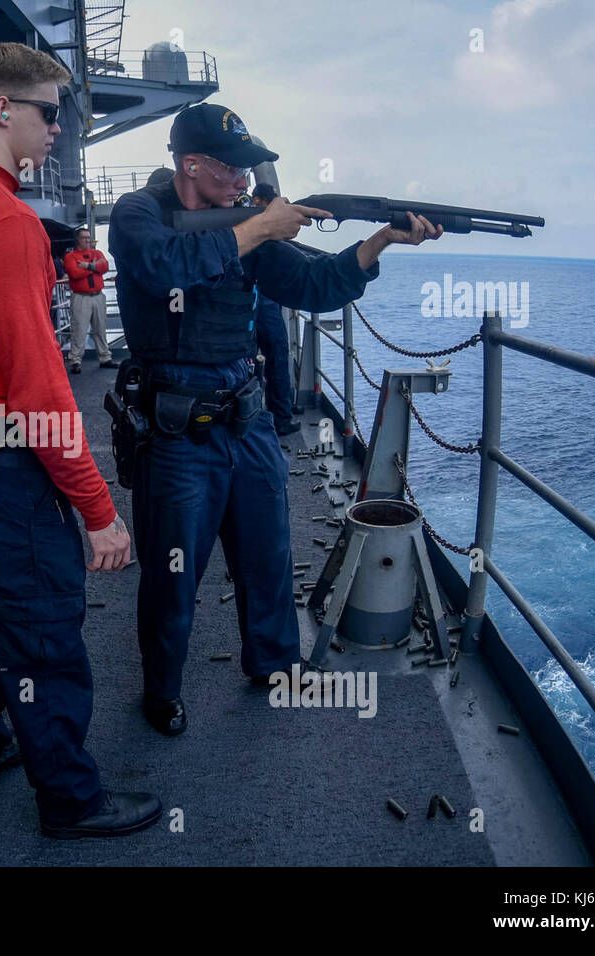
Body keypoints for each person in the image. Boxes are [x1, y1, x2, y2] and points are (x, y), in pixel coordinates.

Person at [108, 103, 441, 735]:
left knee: (267, 555)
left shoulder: (249, 228)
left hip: (248, 419)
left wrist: (379, 242)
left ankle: (275, 665)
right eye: (233, 168)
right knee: (173, 572)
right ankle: (162, 690)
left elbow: (317, 285)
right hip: (177, 430)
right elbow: (160, 269)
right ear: (191, 165)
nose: (244, 179)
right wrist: (260, 227)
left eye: (247, 168)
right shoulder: (138, 213)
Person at [0, 41, 161, 839]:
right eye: (53, 113)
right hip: (3, 454)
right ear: (3, 109)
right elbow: (42, 389)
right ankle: (72, 801)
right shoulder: (8, 222)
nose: (62, 129)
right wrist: (96, 508)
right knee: (41, 626)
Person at [250, 184, 300, 435]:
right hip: (263, 299)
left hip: (250, 299)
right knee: (277, 356)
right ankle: (281, 416)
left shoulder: (244, 223)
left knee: (246, 360)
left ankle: (253, 416)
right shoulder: (259, 224)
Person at [63, 228, 116, 374]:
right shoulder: (70, 257)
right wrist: (95, 267)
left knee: (100, 329)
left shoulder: (97, 253)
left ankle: (105, 358)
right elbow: (74, 273)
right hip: (81, 297)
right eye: (84, 238)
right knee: (78, 330)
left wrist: (87, 266)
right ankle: (75, 360)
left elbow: (104, 266)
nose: (87, 240)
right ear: (78, 240)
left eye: (89, 238)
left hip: (98, 296)